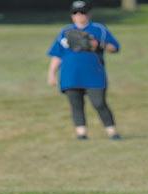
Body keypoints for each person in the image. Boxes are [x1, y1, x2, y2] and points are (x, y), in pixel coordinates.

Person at [47, 1, 122, 140]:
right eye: (76, 13)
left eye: (82, 12)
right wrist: (51, 74)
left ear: (89, 13)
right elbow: (57, 54)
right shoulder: (65, 32)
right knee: (76, 104)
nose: (79, 15)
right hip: (71, 75)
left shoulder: (99, 29)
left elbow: (115, 48)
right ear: (72, 15)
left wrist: (99, 44)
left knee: (99, 103)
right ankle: (81, 133)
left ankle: (112, 131)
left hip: (94, 74)